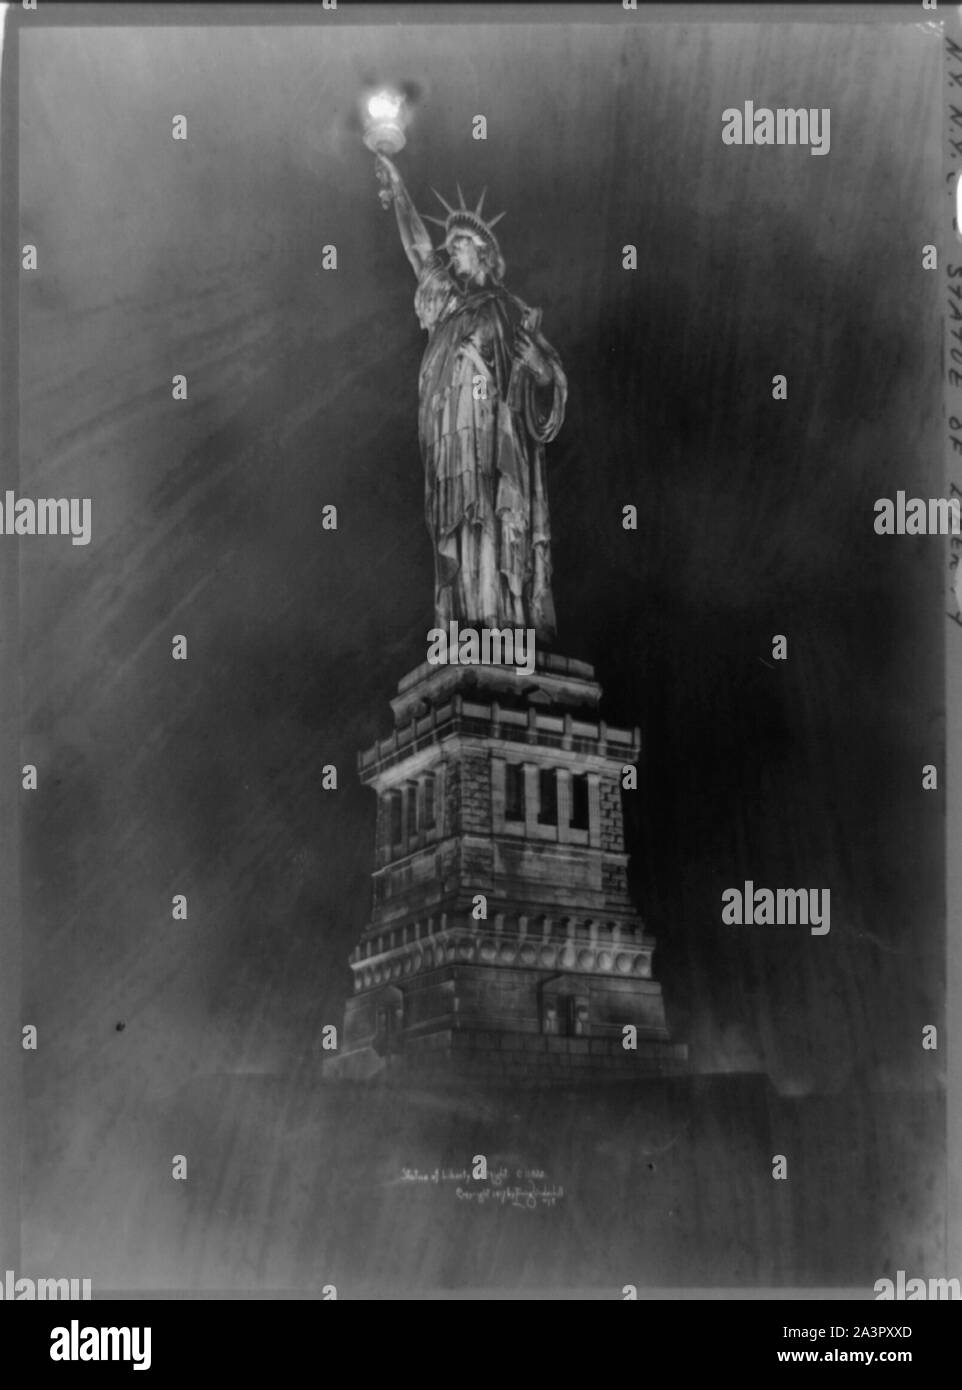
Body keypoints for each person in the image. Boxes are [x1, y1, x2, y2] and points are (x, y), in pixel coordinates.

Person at [376, 152, 567, 642]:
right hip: (450, 444)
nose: (450, 251)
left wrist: (541, 371)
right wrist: (399, 192)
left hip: (494, 443)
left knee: (490, 521)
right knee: (457, 527)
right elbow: (419, 251)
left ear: (482, 253)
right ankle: (465, 625)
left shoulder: (510, 312)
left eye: (458, 245)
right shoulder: (449, 307)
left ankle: (501, 625)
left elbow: (550, 382)